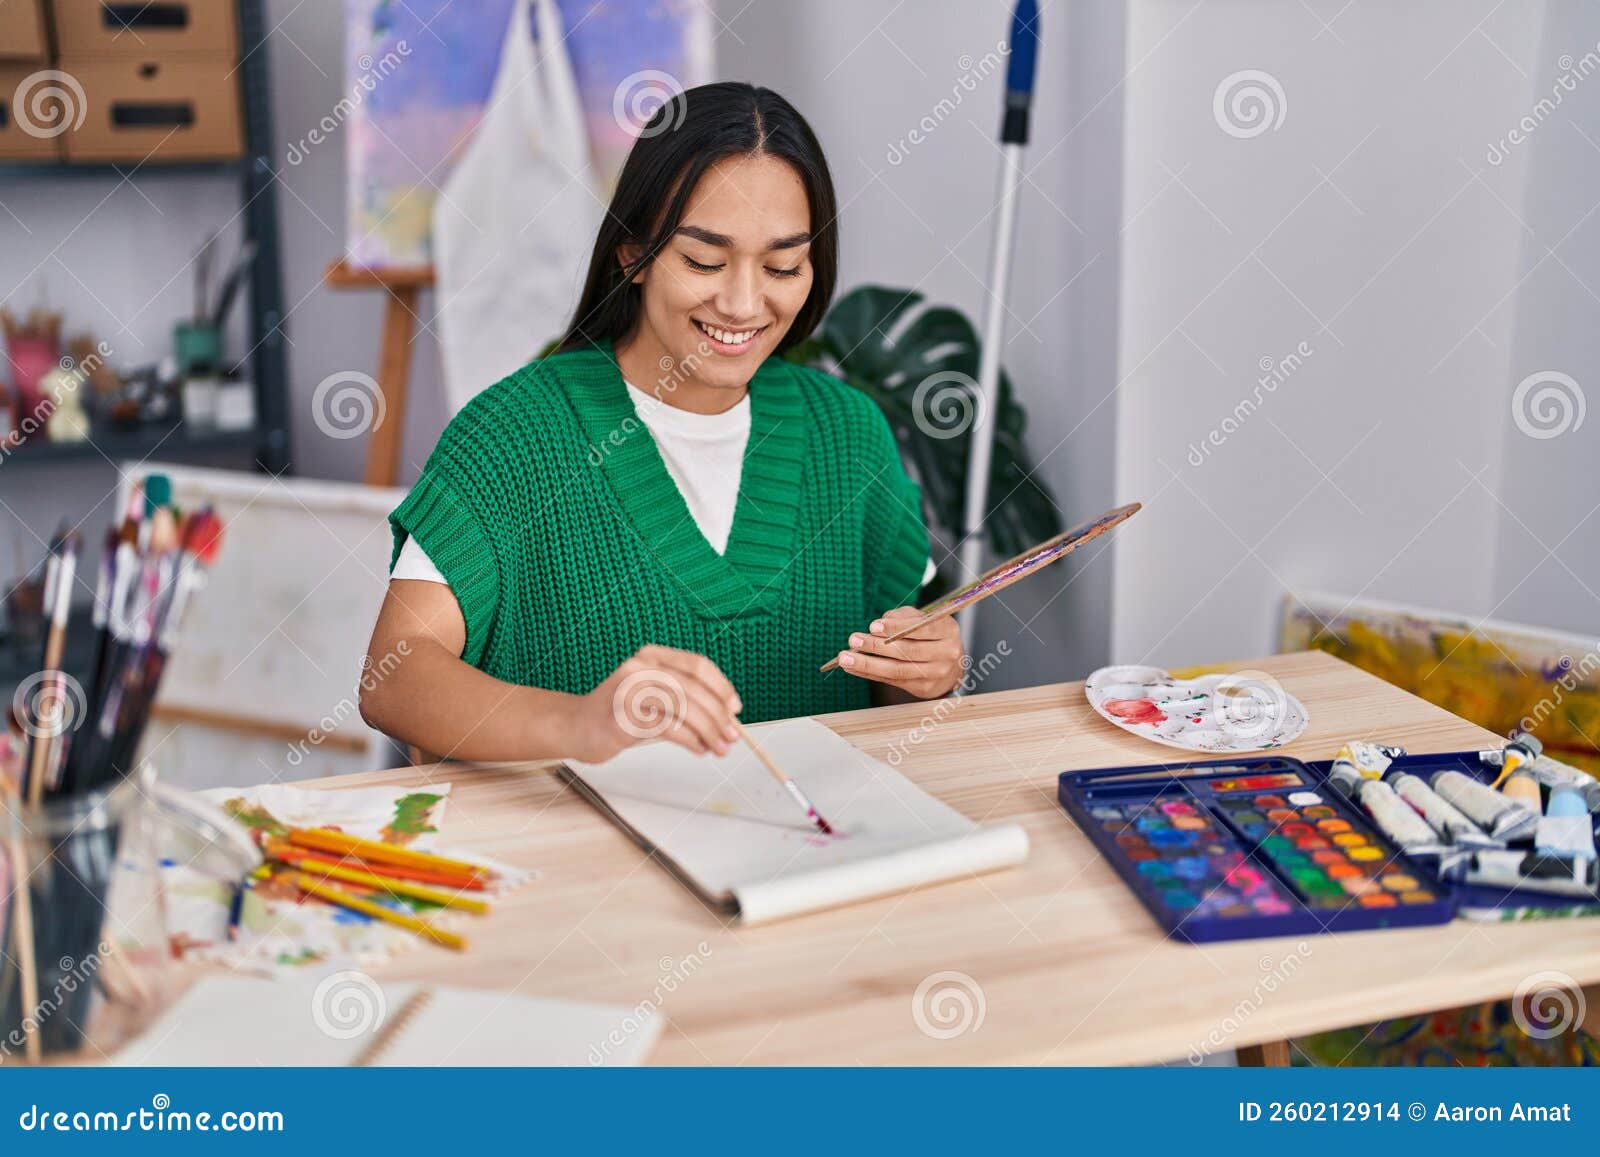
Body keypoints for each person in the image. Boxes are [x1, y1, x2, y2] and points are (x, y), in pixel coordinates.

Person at [360, 82, 964, 766]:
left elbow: (895, 713)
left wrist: (926, 676)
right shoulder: (512, 436)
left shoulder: (849, 436)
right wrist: (581, 724)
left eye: (783, 265)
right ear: (632, 254)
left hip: (807, 862)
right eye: (704, 260)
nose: (742, 302)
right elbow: (394, 677)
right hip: (578, 865)